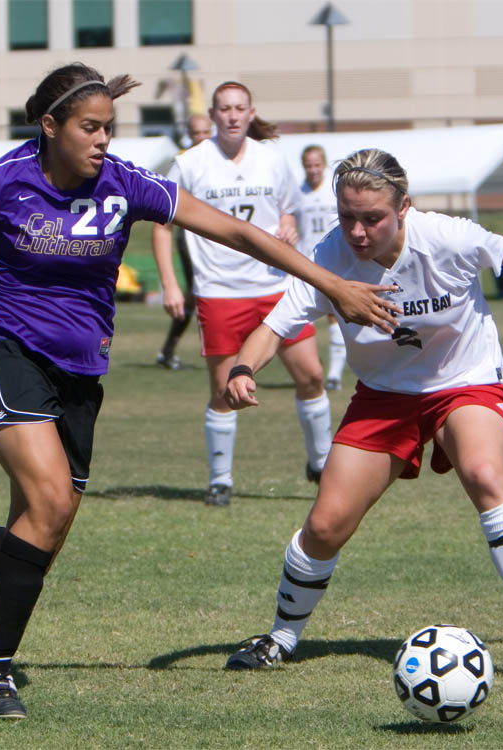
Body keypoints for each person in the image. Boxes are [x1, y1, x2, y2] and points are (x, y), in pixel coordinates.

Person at [0, 64, 397, 720]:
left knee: (33, 537)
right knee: (50, 502)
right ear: (50, 127)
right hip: (6, 353)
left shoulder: (126, 184)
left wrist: (330, 284)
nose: (103, 139)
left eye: (109, 126)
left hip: (81, 378)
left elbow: (242, 233)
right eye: (89, 127)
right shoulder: (5, 177)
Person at [222, 148, 503, 672]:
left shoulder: (445, 236)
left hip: (467, 382)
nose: (358, 231)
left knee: (485, 472)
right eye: (347, 216)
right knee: (326, 526)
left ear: (404, 208)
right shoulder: (328, 256)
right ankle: (279, 639)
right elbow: (274, 325)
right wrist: (242, 369)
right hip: (383, 394)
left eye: (372, 218)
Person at [152, 82, 339, 506]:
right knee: (224, 391)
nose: (233, 116)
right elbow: (162, 224)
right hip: (220, 292)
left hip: (275, 287)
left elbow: (287, 207)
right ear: (213, 115)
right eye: (224, 109)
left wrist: (288, 225)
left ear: (251, 112)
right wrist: (169, 283)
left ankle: (321, 463)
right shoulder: (190, 164)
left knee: (310, 375)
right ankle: (221, 480)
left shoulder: (272, 160)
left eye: (240, 108)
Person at [155, 112, 213, 370]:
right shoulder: (185, 164)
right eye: (196, 133)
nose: (201, 138)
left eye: (204, 132)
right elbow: (166, 212)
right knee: (199, 291)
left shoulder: (222, 160)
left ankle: (168, 351)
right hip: (192, 239)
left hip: (219, 240)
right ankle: (214, 349)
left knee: (195, 296)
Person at [296, 144, 347, 391]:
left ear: (323, 165)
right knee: (303, 315)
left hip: (332, 259)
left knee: (334, 315)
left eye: (317, 165)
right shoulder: (298, 193)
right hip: (305, 261)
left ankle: (335, 374)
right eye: (308, 165)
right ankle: (309, 369)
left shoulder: (333, 191)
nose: (313, 169)